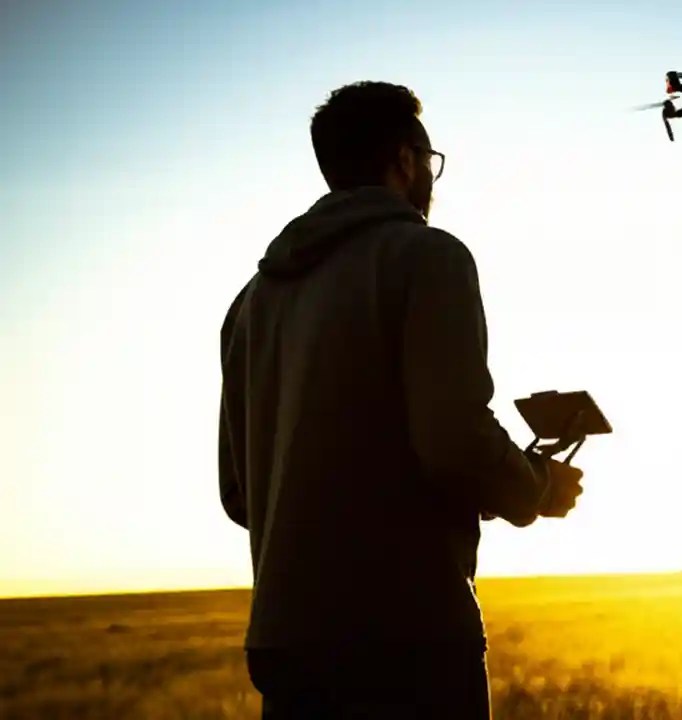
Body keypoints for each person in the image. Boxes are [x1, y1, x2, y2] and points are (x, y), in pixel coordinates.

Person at [218, 80, 584, 718]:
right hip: (405, 639)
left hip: (284, 643)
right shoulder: (427, 257)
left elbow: (238, 494)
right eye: (429, 161)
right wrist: (535, 486)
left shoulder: (250, 303)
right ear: (406, 159)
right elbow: (453, 442)